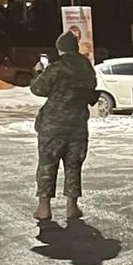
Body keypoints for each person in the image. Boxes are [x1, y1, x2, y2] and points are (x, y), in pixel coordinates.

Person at [29, 32, 98, 221]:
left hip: (53, 126)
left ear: (60, 49)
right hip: (77, 126)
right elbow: (92, 86)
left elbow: (38, 89)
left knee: (47, 165)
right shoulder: (86, 67)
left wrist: (38, 72)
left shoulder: (56, 68)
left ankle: (44, 208)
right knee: (73, 166)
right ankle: (72, 206)